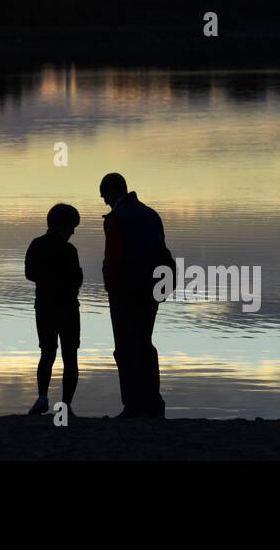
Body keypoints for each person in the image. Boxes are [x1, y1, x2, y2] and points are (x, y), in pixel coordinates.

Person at [100, 172, 168, 418]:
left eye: (104, 197)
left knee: (126, 349)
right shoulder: (151, 214)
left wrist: (110, 286)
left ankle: (132, 405)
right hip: (151, 290)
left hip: (125, 292)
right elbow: (162, 252)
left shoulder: (117, 218)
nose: (105, 202)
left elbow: (113, 258)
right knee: (145, 344)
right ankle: (153, 402)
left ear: (111, 192)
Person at [24, 203, 83, 416]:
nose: (73, 232)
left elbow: (30, 273)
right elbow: (77, 279)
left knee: (47, 353)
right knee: (69, 356)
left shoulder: (37, 244)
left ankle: (43, 397)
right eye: (71, 227)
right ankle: (65, 405)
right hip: (66, 309)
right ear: (60, 225)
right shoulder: (69, 250)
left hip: (45, 307)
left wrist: (48, 280)